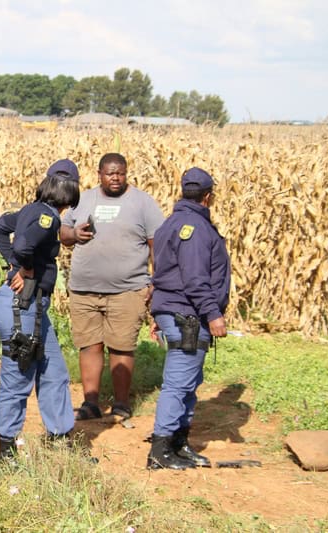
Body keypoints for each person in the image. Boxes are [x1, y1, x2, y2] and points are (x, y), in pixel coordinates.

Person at [0, 159, 86, 466]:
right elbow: (24, 246)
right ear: (69, 192)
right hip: (22, 307)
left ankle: (60, 441)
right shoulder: (47, 218)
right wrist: (24, 266)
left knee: (55, 373)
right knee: (18, 379)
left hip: (34, 307)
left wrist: (16, 264)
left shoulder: (30, 210)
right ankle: (6, 454)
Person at [60, 153, 164, 421]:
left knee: (121, 346)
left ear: (126, 173)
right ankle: (90, 403)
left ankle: (121, 404)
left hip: (128, 290)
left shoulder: (143, 203)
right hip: (84, 289)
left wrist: (158, 282)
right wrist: (73, 234)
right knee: (89, 345)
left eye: (120, 173)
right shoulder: (82, 200)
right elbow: (62, 233)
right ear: (99, 174)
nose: (115, 178)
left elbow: (158, 246)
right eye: (109, 173)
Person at [146, 167, 230, 470]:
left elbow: (163, 272)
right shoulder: (194, 227)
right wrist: (213, 314)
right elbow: (194, 279)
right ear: (208, 197)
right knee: (178, 383)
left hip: (176, 310)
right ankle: (160, 449)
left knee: (190, 380)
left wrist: (161, 309)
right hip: (189, 314)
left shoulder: (171, 223)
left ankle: (179, 444)